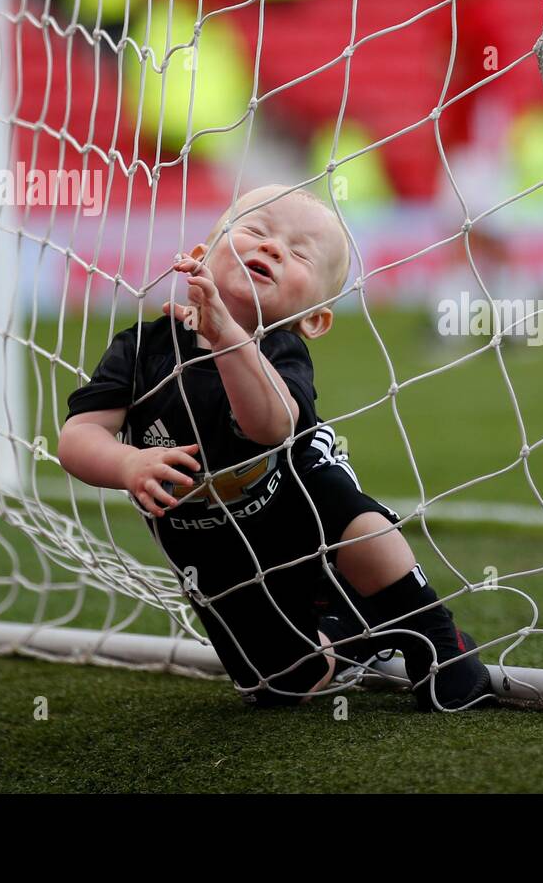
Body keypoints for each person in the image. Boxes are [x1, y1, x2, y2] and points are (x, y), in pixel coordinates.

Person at [57, 184, 495, 711]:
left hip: (294, 491)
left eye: (299, 252)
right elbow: (77, 437)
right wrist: (126, 461)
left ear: (314, 319)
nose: (272, 248)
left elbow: (270, 426)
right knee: (280, 685)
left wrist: (227, 338)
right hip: (204, 533)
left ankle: (434, 635)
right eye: (257, 232)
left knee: (358, 525)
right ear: (200, 257)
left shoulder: (281, 348)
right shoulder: (142, 349)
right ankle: (349, 633)